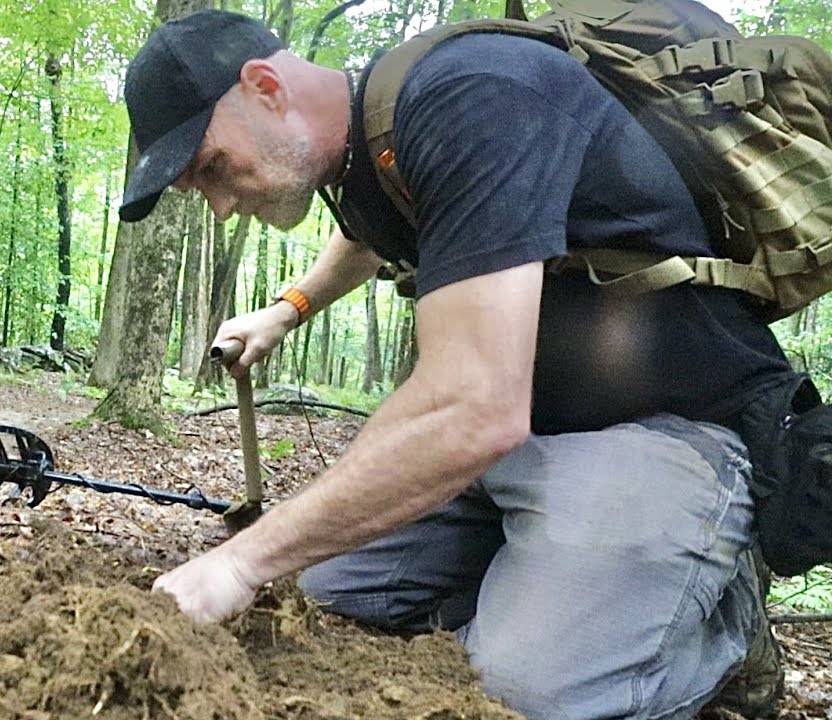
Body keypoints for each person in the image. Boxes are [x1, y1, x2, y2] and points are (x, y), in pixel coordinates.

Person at [119, 9, 789, 719]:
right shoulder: (369, 144)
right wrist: (289, 307)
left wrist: (238, 561)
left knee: (521, 694)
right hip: (525, 440)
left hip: (665, 429)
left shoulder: (470, 92)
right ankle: (564, 587)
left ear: (264, 87)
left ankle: (721, 631)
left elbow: (473, 410)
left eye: (213, 168)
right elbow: (374, 239)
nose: (222, 206)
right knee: (316, 585)